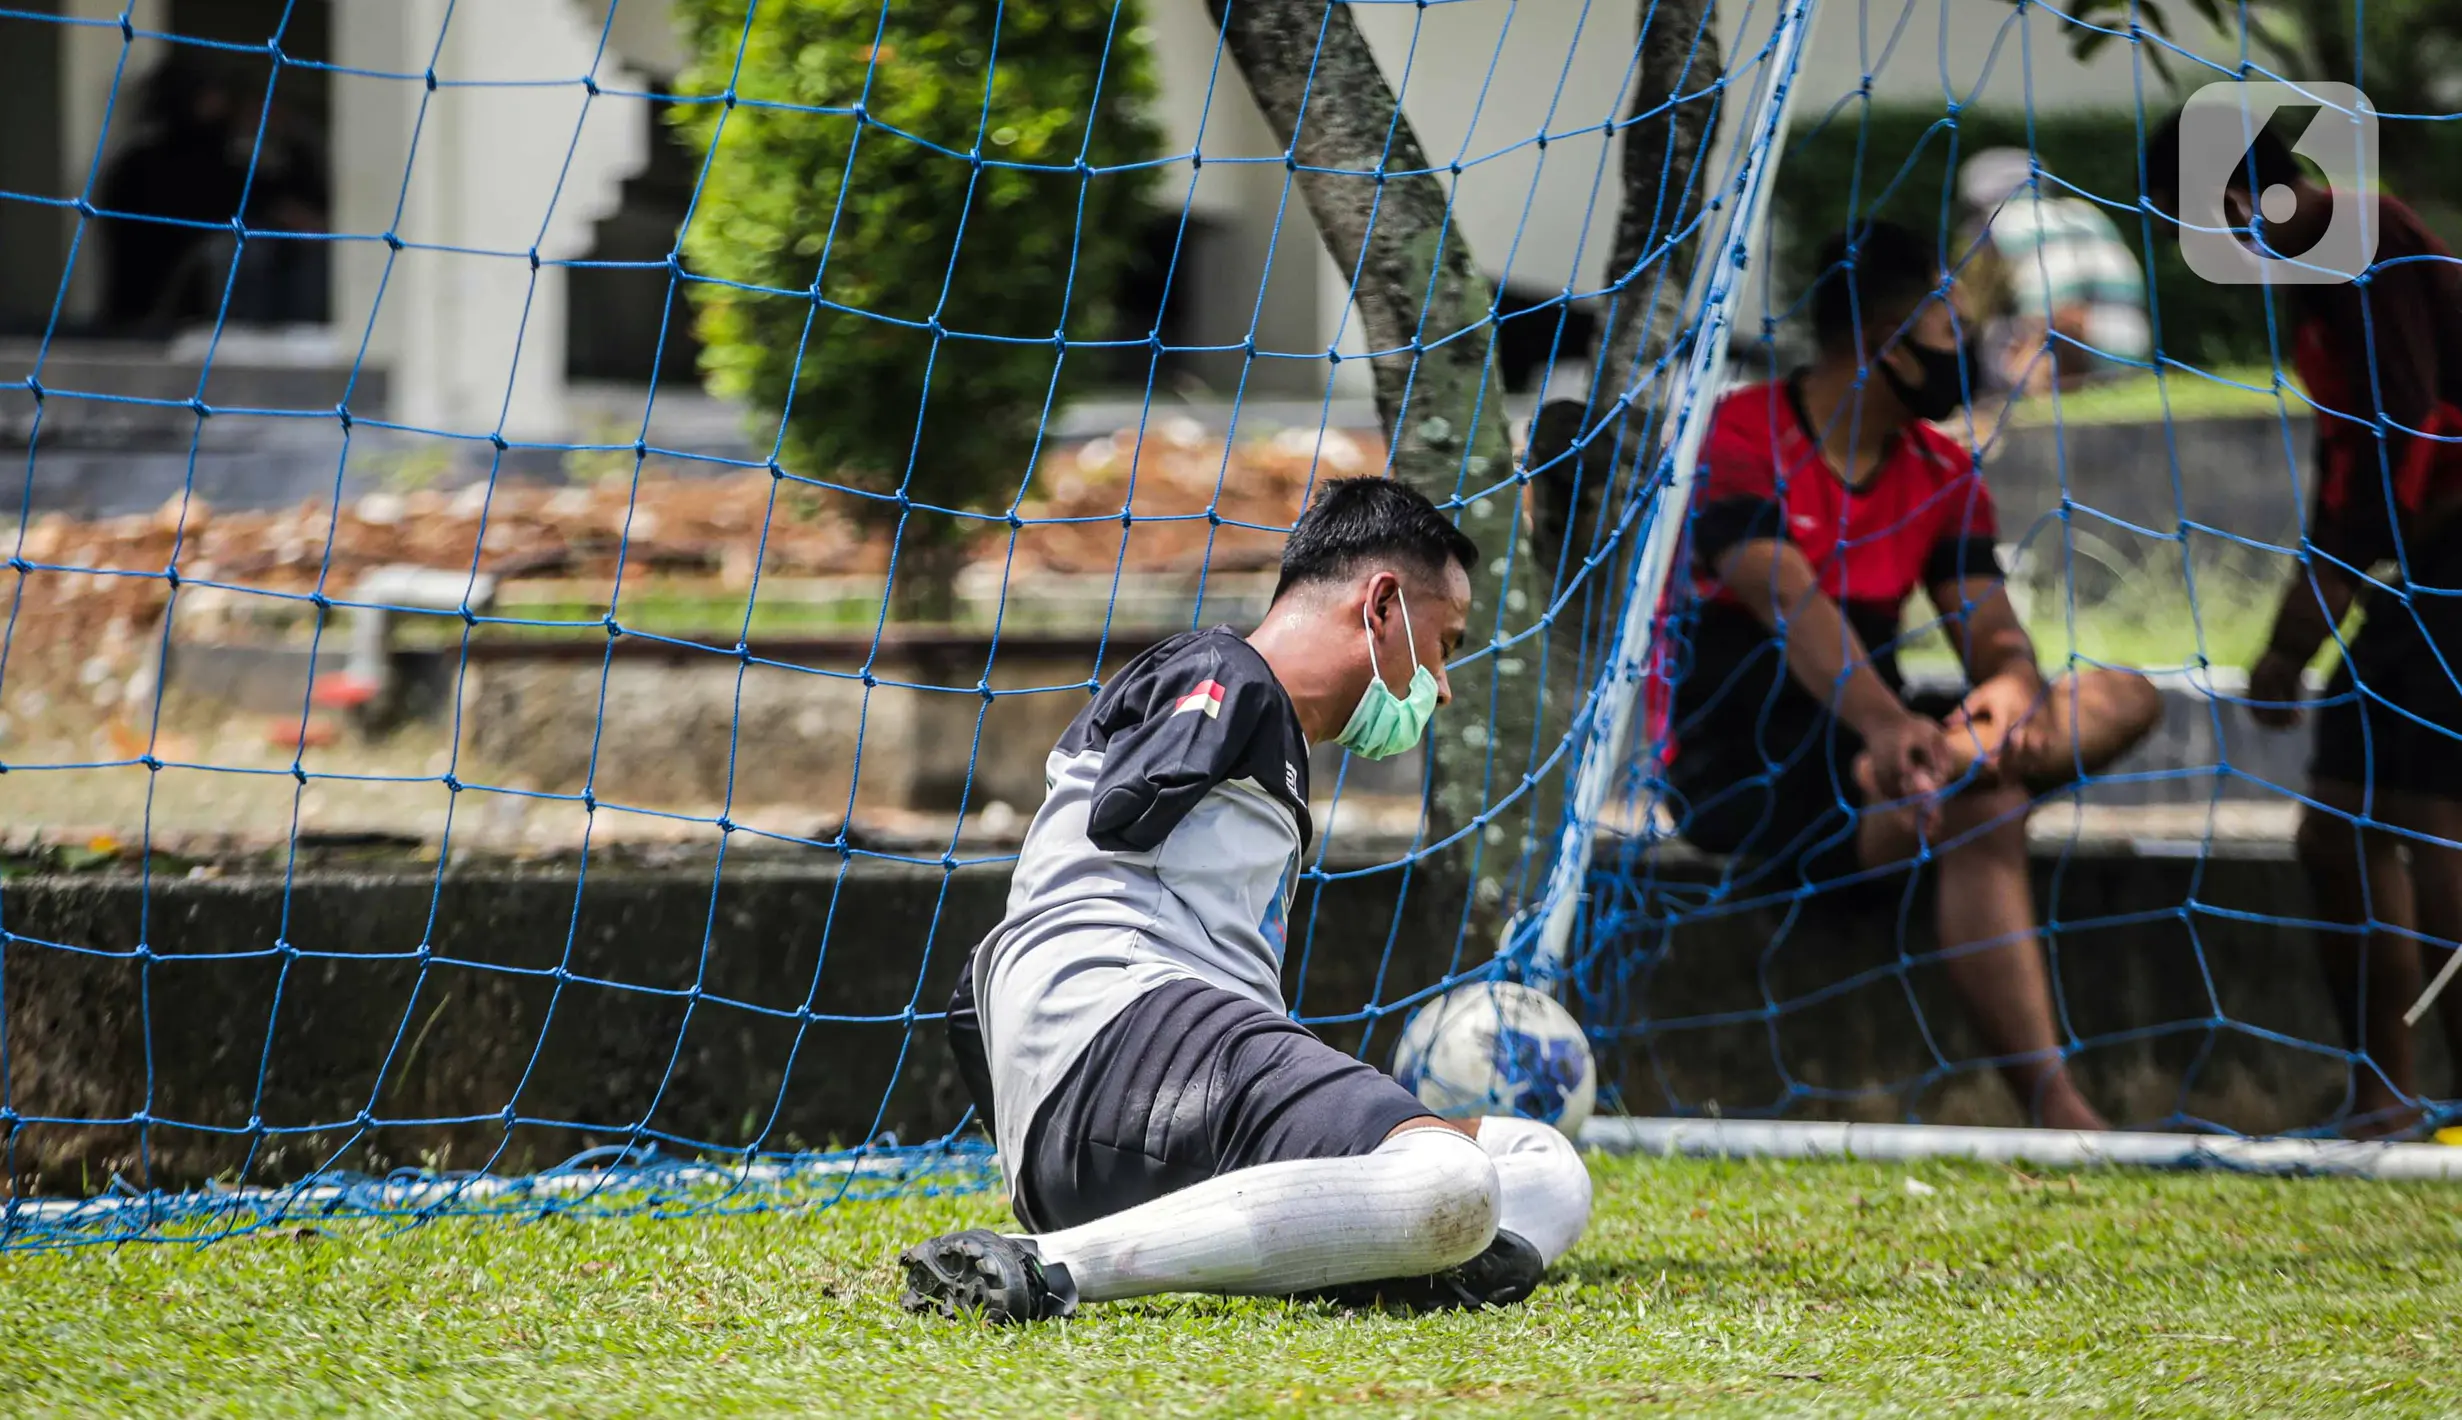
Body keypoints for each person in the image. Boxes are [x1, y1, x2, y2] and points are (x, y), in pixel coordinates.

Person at [905, 477, 1594, 1324]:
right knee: (1448, 1179)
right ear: (1381, 604)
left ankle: (1404, 1258)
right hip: (1130, 1034)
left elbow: (978, 1005)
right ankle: (1047, 1271)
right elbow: (1126, 805)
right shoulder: (1228, 670)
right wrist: (1209, 717)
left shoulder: (1269, 740)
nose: (1443, 687)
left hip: (1105, 1135)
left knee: (1543, 1165)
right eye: (1444, 644)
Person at [1657, 220, 2164, 1131]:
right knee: (1986, 808)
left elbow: (1993, 632)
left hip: (1886, 742)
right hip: (1747, 761)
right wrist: (1891, 728)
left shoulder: (1944, 471)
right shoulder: (1741, 430)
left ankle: (1956, 765)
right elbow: (1785, 598)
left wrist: (2009, 691)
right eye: (1948, 324)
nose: (1966, 347)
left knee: (2124, 696)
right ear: (1884, 341)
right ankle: (2058, 1111)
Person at [2146, 114, 2462, 1135]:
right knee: (2336, 828)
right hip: (2408, 567)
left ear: (2231, 203)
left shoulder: (2364, 239)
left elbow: (2397, 446)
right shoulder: (2317, 274)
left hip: (2444, 564)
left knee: (2416, 822)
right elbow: (2353, 462)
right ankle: (2383, 1092)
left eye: (2182, 227)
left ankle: (2407, 1093)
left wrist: (2300, 626)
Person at [1956, 147, 2151, 402]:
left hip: (2056, 353)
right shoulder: (2086, 213)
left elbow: (1975, 308)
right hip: (2130, 348)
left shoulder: (1991, 224)